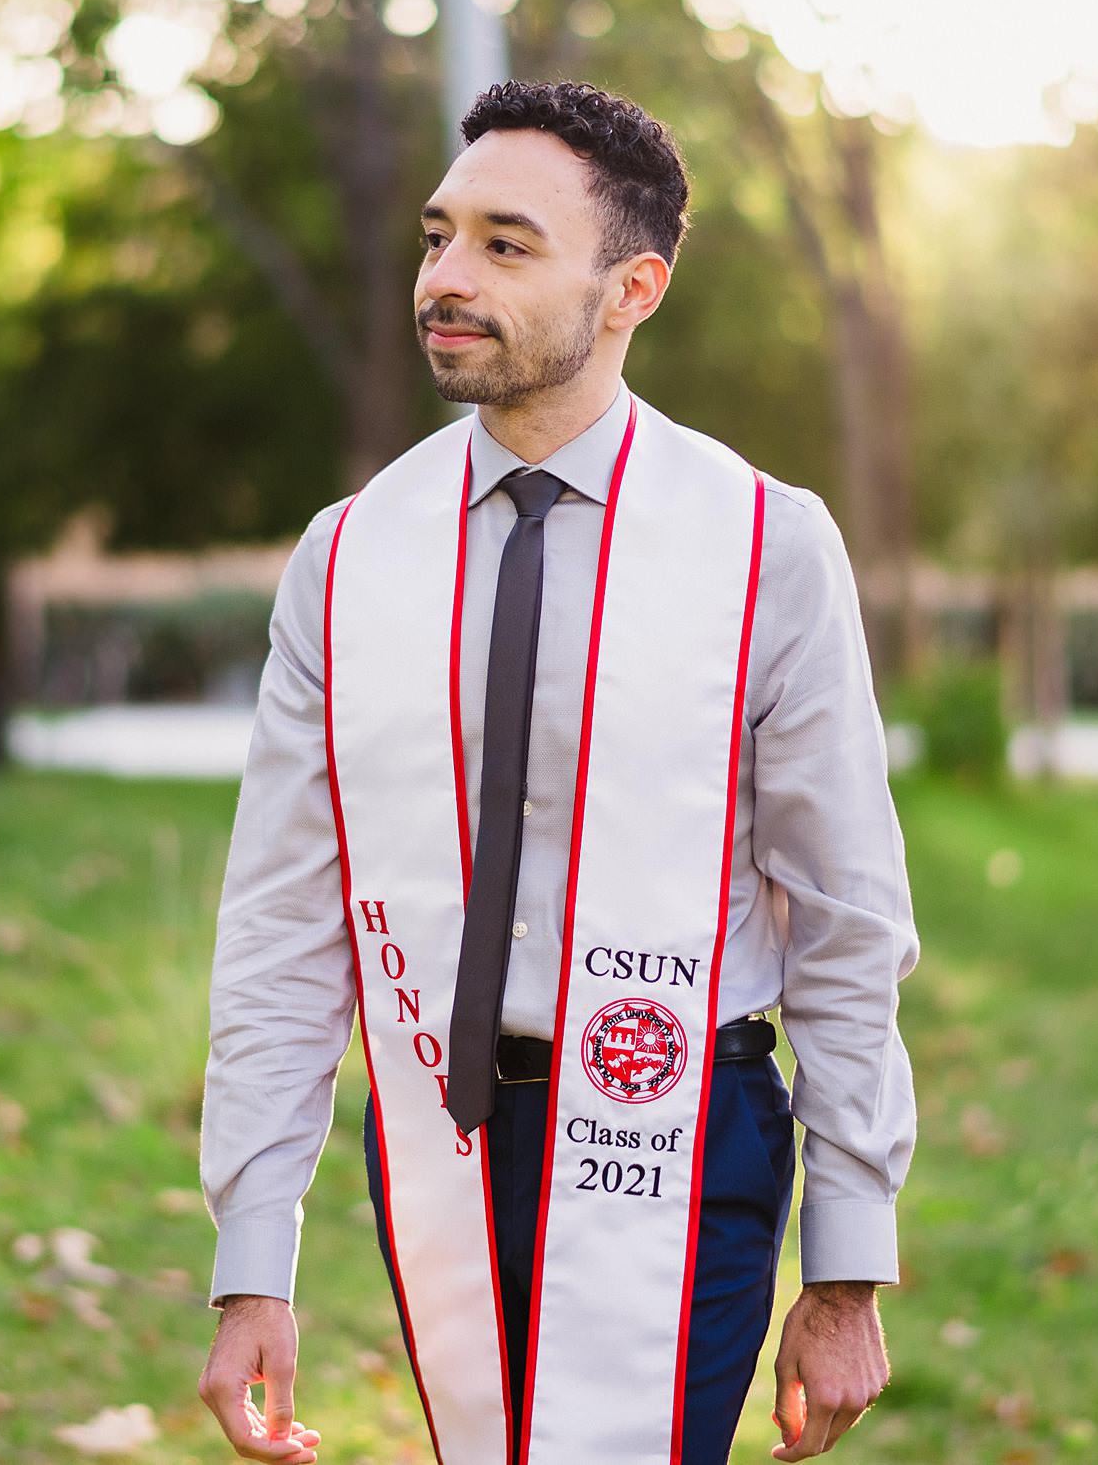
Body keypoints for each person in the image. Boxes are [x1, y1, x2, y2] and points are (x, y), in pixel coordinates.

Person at [195, 79, 920, 1465]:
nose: (447, 278)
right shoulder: (350, 556)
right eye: (437, 236)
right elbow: (286, 923)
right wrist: (254, 1258)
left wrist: (849, 1263)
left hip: (686, 1136)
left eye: (506, 245)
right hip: (437, 1133)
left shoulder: (767, 544)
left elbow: (845, 915)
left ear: (633, 287)